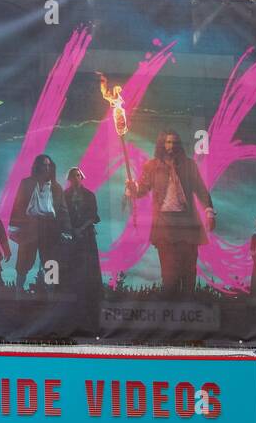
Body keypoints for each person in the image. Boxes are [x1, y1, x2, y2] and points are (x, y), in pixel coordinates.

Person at [125, 131, 216, 296]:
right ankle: (171, 307)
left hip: (187, 225)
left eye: (174, 142)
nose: (171, 146)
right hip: (164, 225)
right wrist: (133, 188)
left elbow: (201, 190)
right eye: (167, 142)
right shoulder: (152, 166)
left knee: (189, 271)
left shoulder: (189, 165)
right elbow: (142, 189)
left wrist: (209, 212)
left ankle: (188, 305)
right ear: (162, 145)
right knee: (168, 273)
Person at [9, 154, 68, 292]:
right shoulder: (26, 183)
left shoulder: (56, 188)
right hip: (30, 225)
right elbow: (18, 205)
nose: (46, 168)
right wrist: (14, 227)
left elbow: (63, 211)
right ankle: (18, 290)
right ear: (37, 166)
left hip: (50, 227)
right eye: (43, 165)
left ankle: (51, 292)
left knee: (51, 260)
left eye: (48, 165)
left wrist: (66, 230)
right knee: (24, 258)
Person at [64, 167, 104, 320]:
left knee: (90, 267)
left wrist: (81, 229)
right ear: (69, 178)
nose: (75, 178)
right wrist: (72, 230)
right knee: (73, 267)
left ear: (82, 177)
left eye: (78, 175)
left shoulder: (89, 195)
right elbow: (63, 214)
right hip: (72, 236)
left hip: (86, 235)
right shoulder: (65, 195)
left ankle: (92, 302)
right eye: (73, 176)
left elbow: (93, 216)